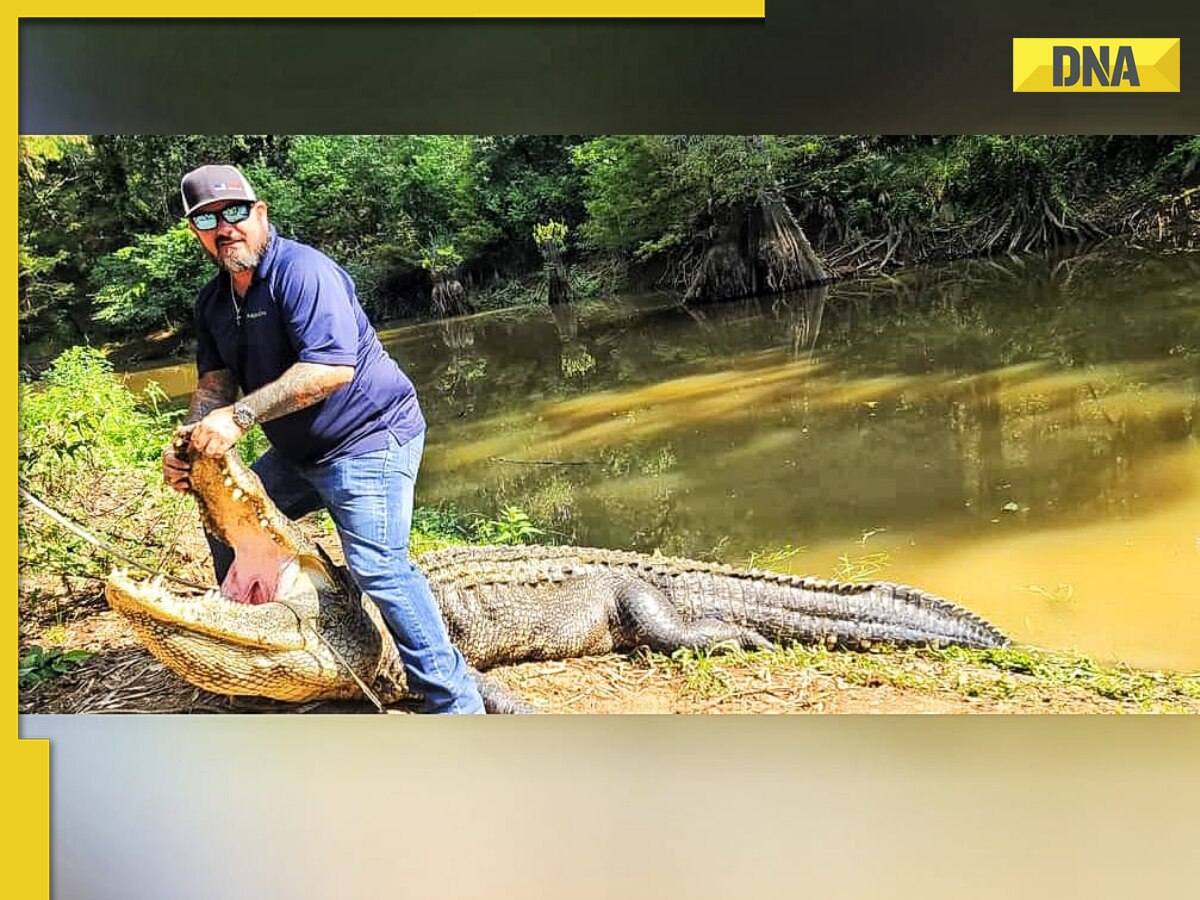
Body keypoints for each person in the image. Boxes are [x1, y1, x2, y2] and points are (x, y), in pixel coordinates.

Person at [162, 164, 485, 714]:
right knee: (226, 527)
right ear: (196, 231)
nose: (225, 227)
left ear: (259, 214)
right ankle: (258, 654)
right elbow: (215, 384)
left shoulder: (303, 272)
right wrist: (191, 444)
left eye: (235, 212)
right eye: (208, 219)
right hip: (297, 450)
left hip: (369, 436)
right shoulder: (213, 302)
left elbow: (331, 369)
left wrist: (238, 420)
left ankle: (453, 702)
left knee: (378, 566)